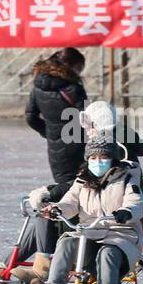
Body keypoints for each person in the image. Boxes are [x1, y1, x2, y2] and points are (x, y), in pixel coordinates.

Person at [33, 137, 143, 284]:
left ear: (113, 159)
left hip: (120, 234)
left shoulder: (127, 177)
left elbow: (135, 200)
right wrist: (57, 208)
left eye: (103, 157)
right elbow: (70, 202)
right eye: (93, 157)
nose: (98, 161)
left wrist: (126, 212)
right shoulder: (82, 180)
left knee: (108, 254)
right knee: (67, 240)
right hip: (89, 233)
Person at [25, 48, 88, 184]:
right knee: (85, 186)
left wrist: (49, 133)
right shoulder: (74, 88)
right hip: (79, 145)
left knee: (65, 186)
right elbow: (85, 117)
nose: (80, 72)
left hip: (55, 149)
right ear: (70, 66)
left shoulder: (37, 87)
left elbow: (30, 117)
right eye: (79, 67)